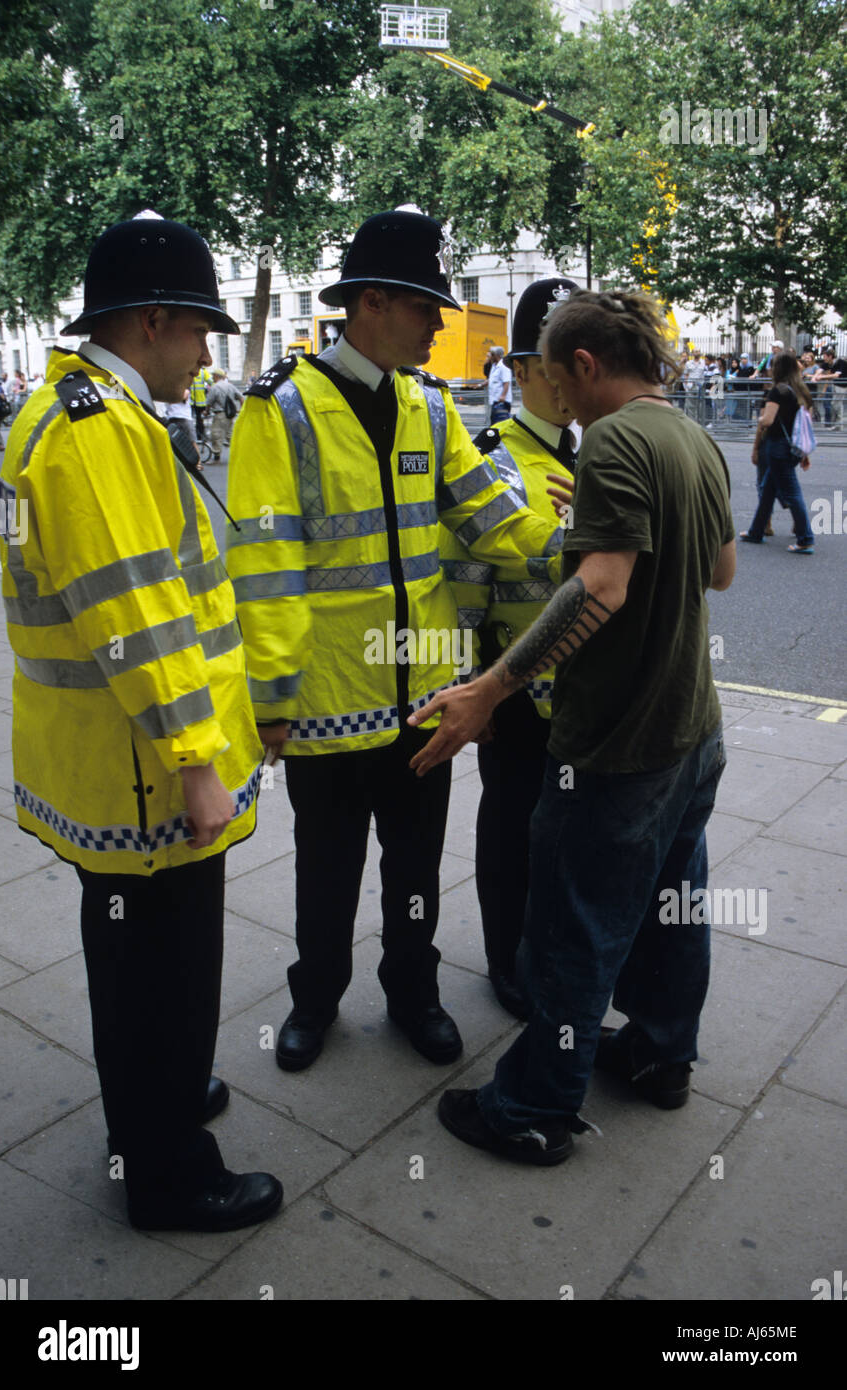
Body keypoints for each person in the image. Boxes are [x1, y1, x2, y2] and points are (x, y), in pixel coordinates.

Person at [226, 209, 568, 1073]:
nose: (440, 324)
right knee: (327, 871)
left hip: (421, 699)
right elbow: (264, 568)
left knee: (414, 872)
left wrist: (567, 543)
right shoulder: (281, 410)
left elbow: (486, 517)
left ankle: (414, 992)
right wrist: (268, 698)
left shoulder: (426, 406)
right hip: (328, 700)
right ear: (372, 302)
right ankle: (316, 1000)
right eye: (427, 307)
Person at [0, 213, 282, 1233]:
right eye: (199, 330)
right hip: (145, 772)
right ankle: (167, 1171)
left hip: (107, 762)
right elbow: (133, 619)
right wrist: (198, 762)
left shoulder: (58, 413)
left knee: (132, 964)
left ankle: (150, 1103)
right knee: (165, 970)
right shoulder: (97, 430)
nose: (209, 353)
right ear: (153, 321)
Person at [406, 287, 735, 1167]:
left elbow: (600, 587)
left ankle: (532, 1106)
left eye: (557, 379)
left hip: (617, 741)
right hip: (692, 731)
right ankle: (661, 1058)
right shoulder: (693, 435)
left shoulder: (615, 439)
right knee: (672, 910)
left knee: (573, 929)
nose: (556, 396)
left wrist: (490, 689)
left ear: (585, 366)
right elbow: (721, 569)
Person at [441, 278, 578, 1019]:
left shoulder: (596, 450)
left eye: (573, 361)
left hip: (586, 690)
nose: (561, 381)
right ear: (518, 370)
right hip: (518, 688)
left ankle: (554, 948)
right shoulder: (491, 457)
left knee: (568, 835)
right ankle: (508, 960)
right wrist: (470, 683)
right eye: (544, 363)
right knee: (511, 829)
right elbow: (465, 579)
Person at [739, 351, 814, 553]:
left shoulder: (777, 391)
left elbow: (768, 420)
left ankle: (805, 538)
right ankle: (757, 530)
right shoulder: (801, 391)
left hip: (776, 445)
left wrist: (759, 420)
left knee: (791, 492)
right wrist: (805, 454)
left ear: (779, 368)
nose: (770, 369)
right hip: (793, 447)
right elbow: (804, 425)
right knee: (768, 489)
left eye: (772, 365)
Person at [206, 367, 243, 460]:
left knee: (217, 434)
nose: (212, 377)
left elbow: (209, 402)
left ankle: (217, 454)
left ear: (216, 376)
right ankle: (238, 452)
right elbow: (241, 398)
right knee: (230, 434)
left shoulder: (215, 387)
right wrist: (241, 410)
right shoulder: (230, 386)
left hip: (220, 414)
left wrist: (206, 411)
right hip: (230, 414)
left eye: (213, 375)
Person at [487, 344, 513, 423]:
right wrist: (480, 385)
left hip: (502, 401)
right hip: (495, 400)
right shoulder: (494, 366)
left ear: (496, 355)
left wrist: (503, 396)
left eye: (491, 354)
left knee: (500, 423)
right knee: (494, 422)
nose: (489, 356)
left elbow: (506, 382)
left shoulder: (503, 366)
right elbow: (492, 379)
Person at [190, 364, 212, 440]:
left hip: (199, 401)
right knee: (192, 420)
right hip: (191, 401)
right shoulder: (189, 370)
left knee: (199, 420)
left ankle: (199, 435)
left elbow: (211, 382)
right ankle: (197, 435)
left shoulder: (203, 371)